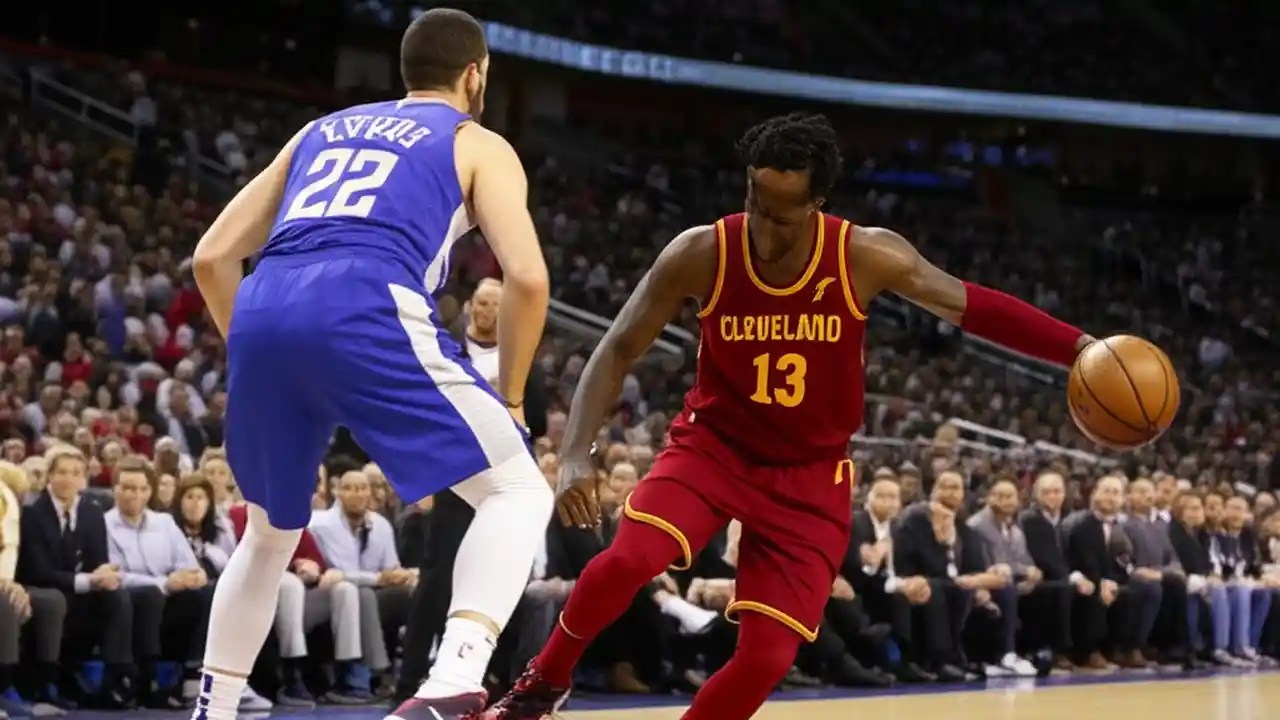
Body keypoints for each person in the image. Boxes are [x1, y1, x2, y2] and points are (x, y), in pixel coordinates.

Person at [483, 111, 1093, 720]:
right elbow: (618, 346)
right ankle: (543, 682)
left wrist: (1079, 349)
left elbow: (972, 304)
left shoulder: (863, 255)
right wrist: (571, 456)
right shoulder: (702, 251)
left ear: (817, 203)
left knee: (766, 658)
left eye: (779, 215)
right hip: (714, 449)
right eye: (753, 200)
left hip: (809, 474)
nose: (760, 225)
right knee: (626, 559)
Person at [187, 8, 553, 720]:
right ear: (475, 74)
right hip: (364, 297)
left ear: (403, 73)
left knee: (268, 534)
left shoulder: (319, 130)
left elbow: (210, 257)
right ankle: (453, 681)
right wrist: (509, 396)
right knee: (517, 491)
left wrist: (268, 353)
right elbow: (528, 280)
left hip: (262, 305)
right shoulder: (476, 142)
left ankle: (214, 708)